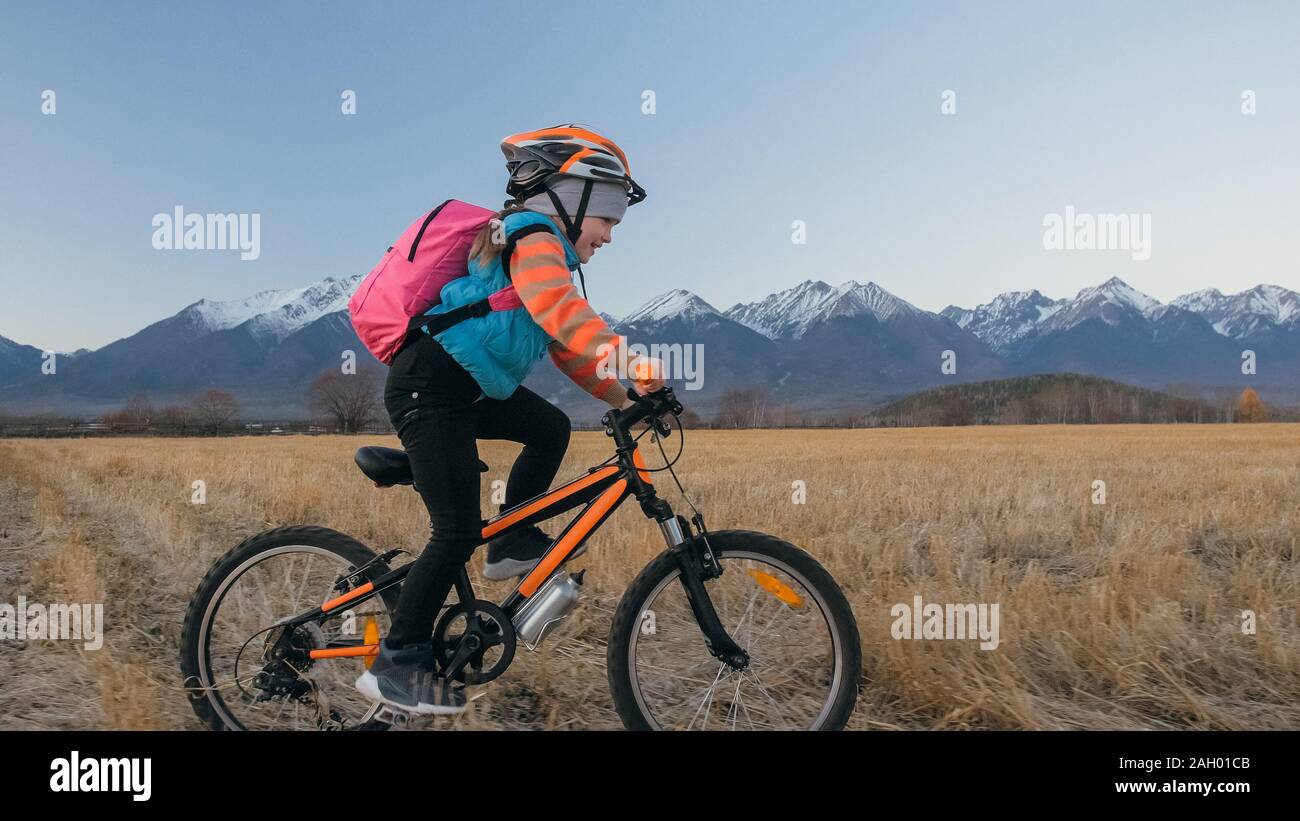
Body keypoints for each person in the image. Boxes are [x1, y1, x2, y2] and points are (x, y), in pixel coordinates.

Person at [356, 124, 664, 715]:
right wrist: (628, 356)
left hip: (466, 387)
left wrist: (626, 399)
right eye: (608, 218)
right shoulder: (533, 235)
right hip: (432, 386)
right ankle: (397, 663)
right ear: (570, 199)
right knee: (455, 531)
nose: (610, 235)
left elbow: (569, 346)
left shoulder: (545, 254)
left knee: (549, 427)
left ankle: (514, 539)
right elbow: (559, 310)